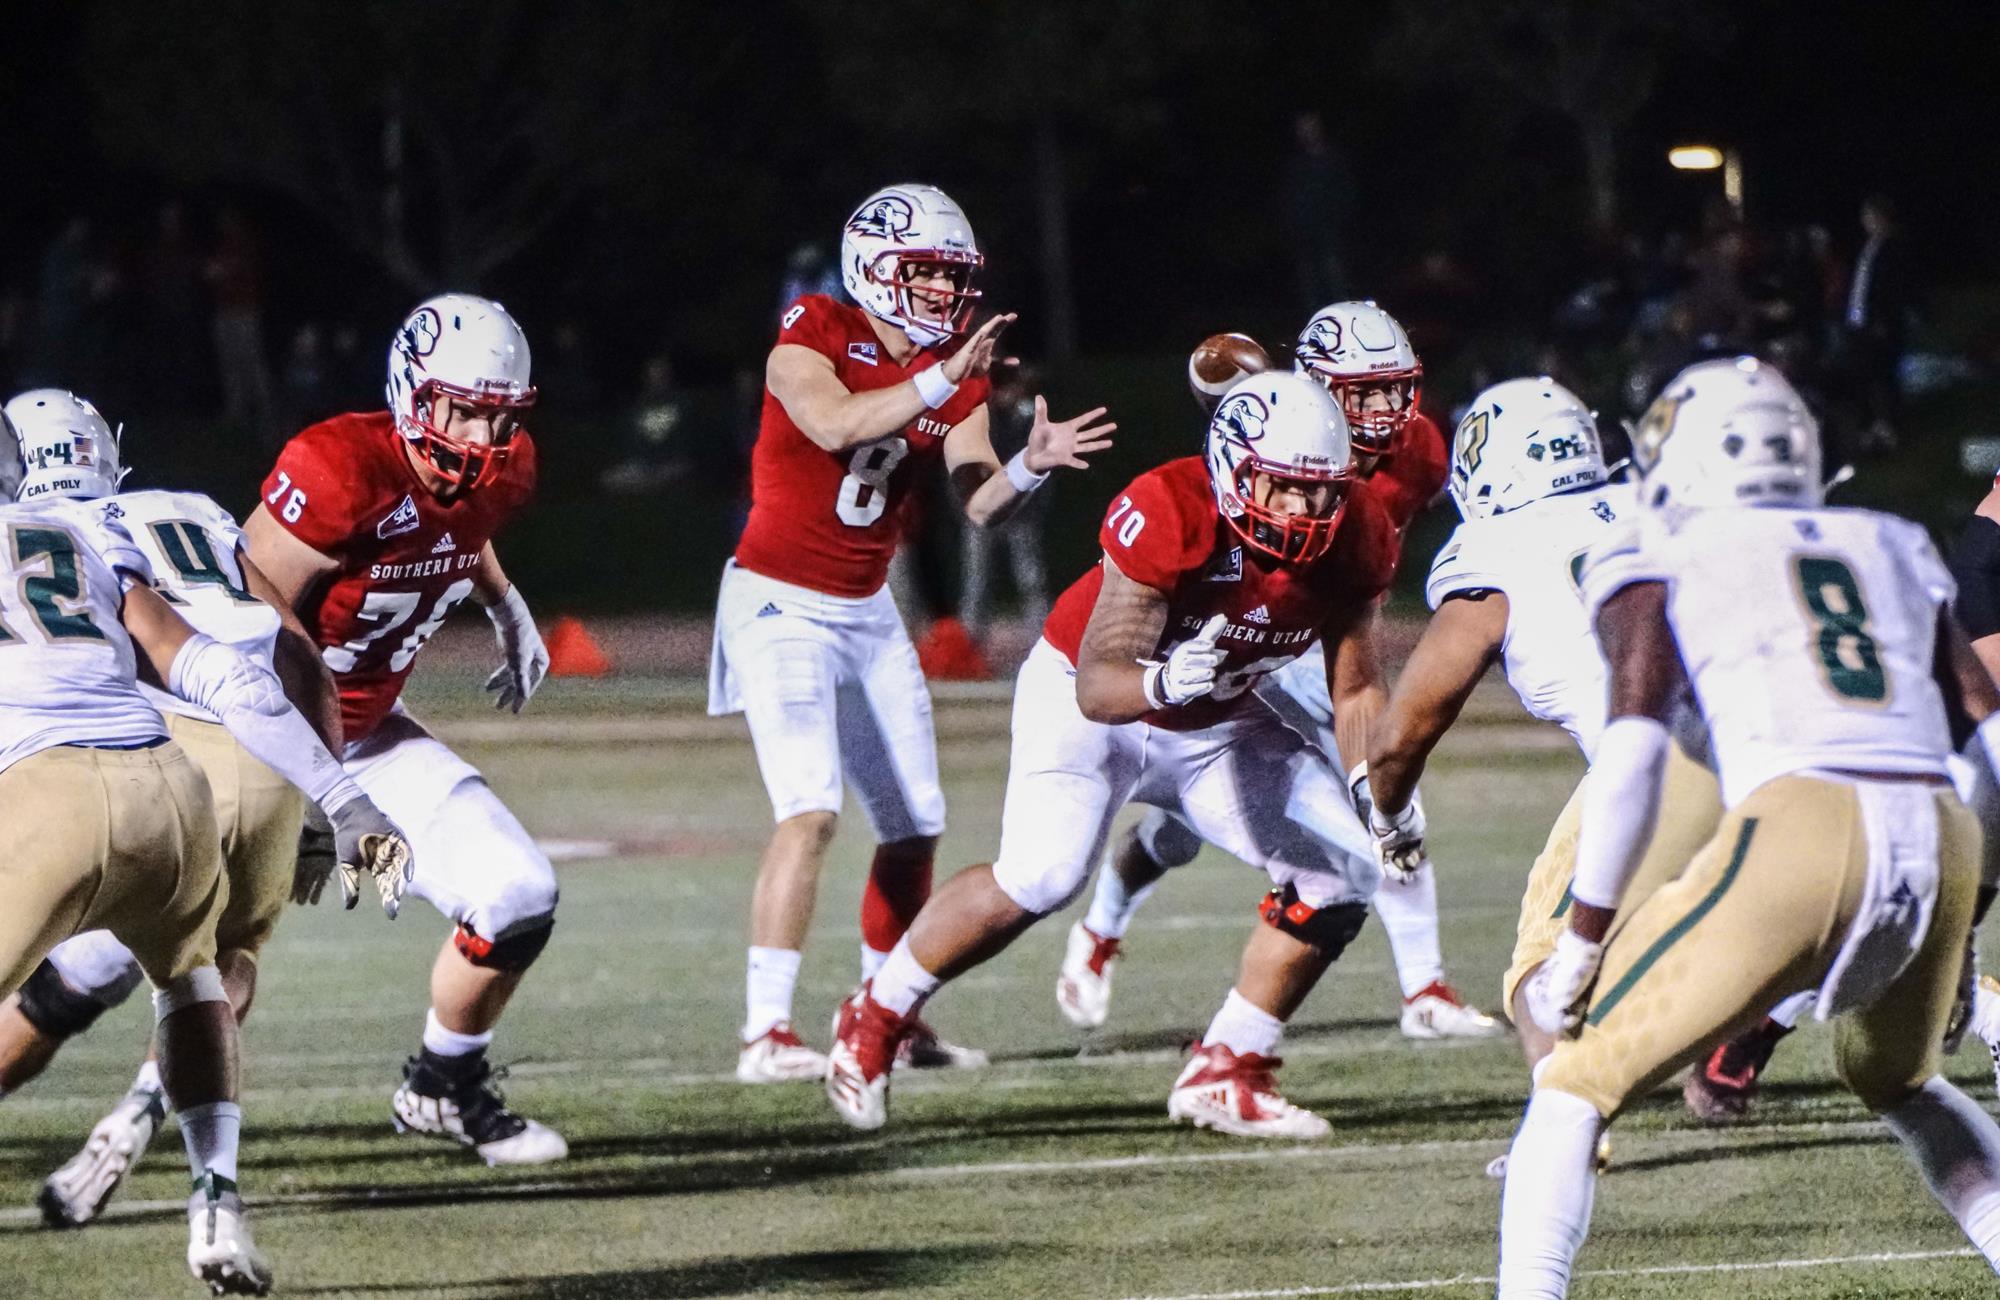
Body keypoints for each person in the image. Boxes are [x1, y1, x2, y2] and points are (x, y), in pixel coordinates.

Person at [1495, 357, 2000, 1295]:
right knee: (1905, 1085)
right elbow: (1984, 741)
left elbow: (1634, 755)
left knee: (1571, 1087)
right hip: (1941, 828)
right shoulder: (1890, 539)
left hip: (1803, 824)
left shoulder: (1654, 546)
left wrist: (1583, 940)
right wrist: (1961, 923)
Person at [827, 371, 1398, 1138]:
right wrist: (1163, 678)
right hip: (1090, 702)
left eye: (1320, 492)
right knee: (1041, 876)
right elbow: (1100, 686)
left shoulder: (1358, 532)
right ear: (1233, 467)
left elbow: (1356, 688)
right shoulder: (1170, 507)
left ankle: (1227, 1068)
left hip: (1219, 725)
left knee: (1344, 870)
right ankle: (876, 1013)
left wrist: (1371, 788)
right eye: (1284, 488)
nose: (1303, 512)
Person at [710, 183, 1114, 1083]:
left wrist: (1030, 467)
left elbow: (981, 503)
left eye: (951, 274)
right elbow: (834, 420)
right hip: (777, 599)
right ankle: (765, 1032)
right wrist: (937, 378)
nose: (943, 290)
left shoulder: (954, 373)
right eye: (926, 272)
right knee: (811, 810)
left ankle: (885, 1012)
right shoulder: (815, 327)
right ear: (872, 267)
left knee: (915, 821)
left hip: (865, 609)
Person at [0, 423, 408, 1294]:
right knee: (198, 980)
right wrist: (341, 798)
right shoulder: (104, 533)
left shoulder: (76, 528)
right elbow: (236, 669)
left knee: (59, 990)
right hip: (172, 788)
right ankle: (216, 1202)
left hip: (49, 795)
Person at [1062, 304, 1499, 1040]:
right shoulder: (1274, 439)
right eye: (1362, 393)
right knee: (1189, 828)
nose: (1384, 411)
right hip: (1250, 637)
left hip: (1329, 634)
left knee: (1386, 796)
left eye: (1394, 390)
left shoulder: (1420, 449)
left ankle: (1424, 987)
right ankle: (1103, 924)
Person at [1362, 377, 1727, 1170]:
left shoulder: (1489, 551)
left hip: (1663, 763)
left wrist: (1387, 818)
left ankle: (1564, 1135)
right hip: (1779, 742)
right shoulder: (1651, 503)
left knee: (1542, 965)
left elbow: (1402, 732)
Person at [243, 293, 566, 1165]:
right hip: (255, 740)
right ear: (412, 392)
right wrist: (309, 784)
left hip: (370, 738)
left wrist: (506, 604)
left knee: (517, 894)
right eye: (463, 410)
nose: (484, 437)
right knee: (97, 959)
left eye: (500, 416)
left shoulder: (504, 467)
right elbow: (245, 607)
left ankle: (440, 1087)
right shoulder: (340, 467)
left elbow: (464, 525)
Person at [959, 359, 1052, 642]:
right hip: (984, 509)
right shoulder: (980, 416)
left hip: (1020, 512)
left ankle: (1044, 637)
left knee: (1031, 579)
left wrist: (1035, 507)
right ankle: (969, 644)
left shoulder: (1026, 415)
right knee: (977, 581)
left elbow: (1042, 461)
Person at [1841, 193, 1914, 452]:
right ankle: (1870, 426)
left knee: (1884, 375)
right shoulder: (1869, 247)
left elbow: (1892, 289)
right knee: (1861, 375)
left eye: (1869, 216)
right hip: (1859, 322)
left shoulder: (1892, 248)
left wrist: (1882, 320)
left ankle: (1889, 426)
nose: (1866, 221)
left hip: (1878, 324)